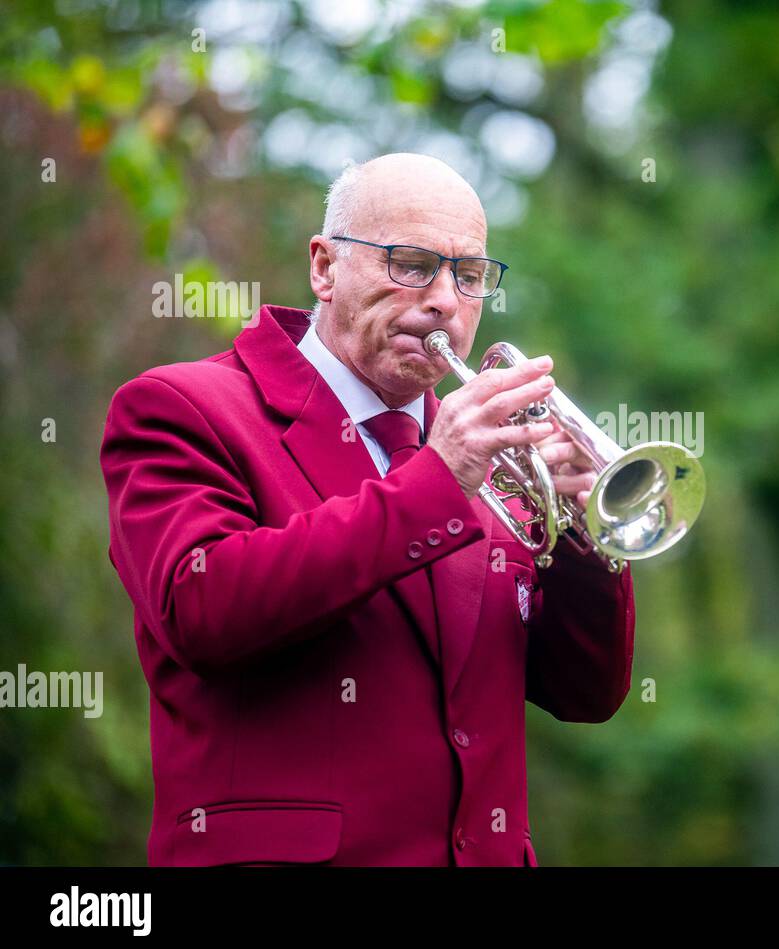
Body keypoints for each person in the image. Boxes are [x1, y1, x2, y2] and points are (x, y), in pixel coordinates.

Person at [99, 153, 635, 866]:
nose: (445, 299)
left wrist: (581, 535)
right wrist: (435, 482)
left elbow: (585, 693)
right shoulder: (181, 408)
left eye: (468, 276)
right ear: (323, 267)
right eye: (410, 264)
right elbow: (203, 611)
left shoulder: (498, 464)